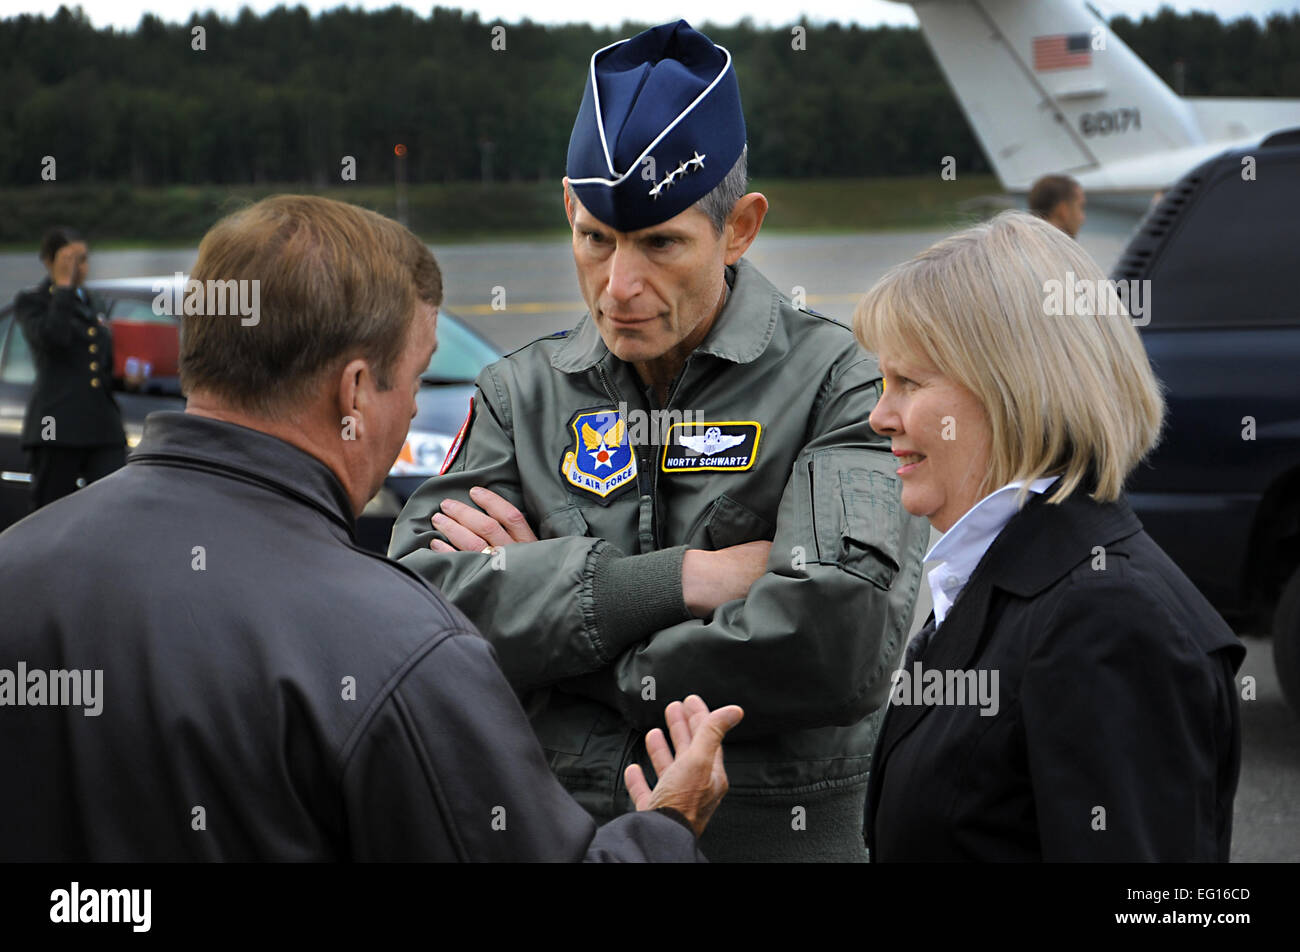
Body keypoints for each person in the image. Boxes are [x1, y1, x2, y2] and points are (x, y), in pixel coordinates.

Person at [0, 194, 744, 862]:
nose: (418, 410)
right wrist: (667, 823)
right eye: (417, 379)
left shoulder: (16, 566)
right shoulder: (399, 646)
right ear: (355, 390)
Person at [389, 20, 928, 862]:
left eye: (661, 243)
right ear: (570, 208)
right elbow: (422, 614)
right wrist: (689, 579)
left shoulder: (841, 382)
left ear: (740, 227)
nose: (619, 286)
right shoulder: (519, 393)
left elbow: (837, 642)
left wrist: (557, 642)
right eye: (595, 239)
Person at [856, 210, 1245, 861]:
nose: (879, 416)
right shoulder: (1020, 577)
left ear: (1014, 389)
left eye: (909, 383)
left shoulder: (1109, 620)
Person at [12, 227, 126, 510]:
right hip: (58, 426)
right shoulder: (33, 302)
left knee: (112, 505)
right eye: (70, 259)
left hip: (102, 426)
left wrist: (131, 378)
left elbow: (101, 364)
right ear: (50, 261)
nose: (79, 267)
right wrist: (62, 287)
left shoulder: (92, 301)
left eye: (83, 259)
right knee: (51, 512)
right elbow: (54, 339)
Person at [1028, 173, 1086, 237]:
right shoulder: (1056, 246)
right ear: (1064, 210)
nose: (1082, 218)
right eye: (1080, 207)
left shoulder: (1023, 241)